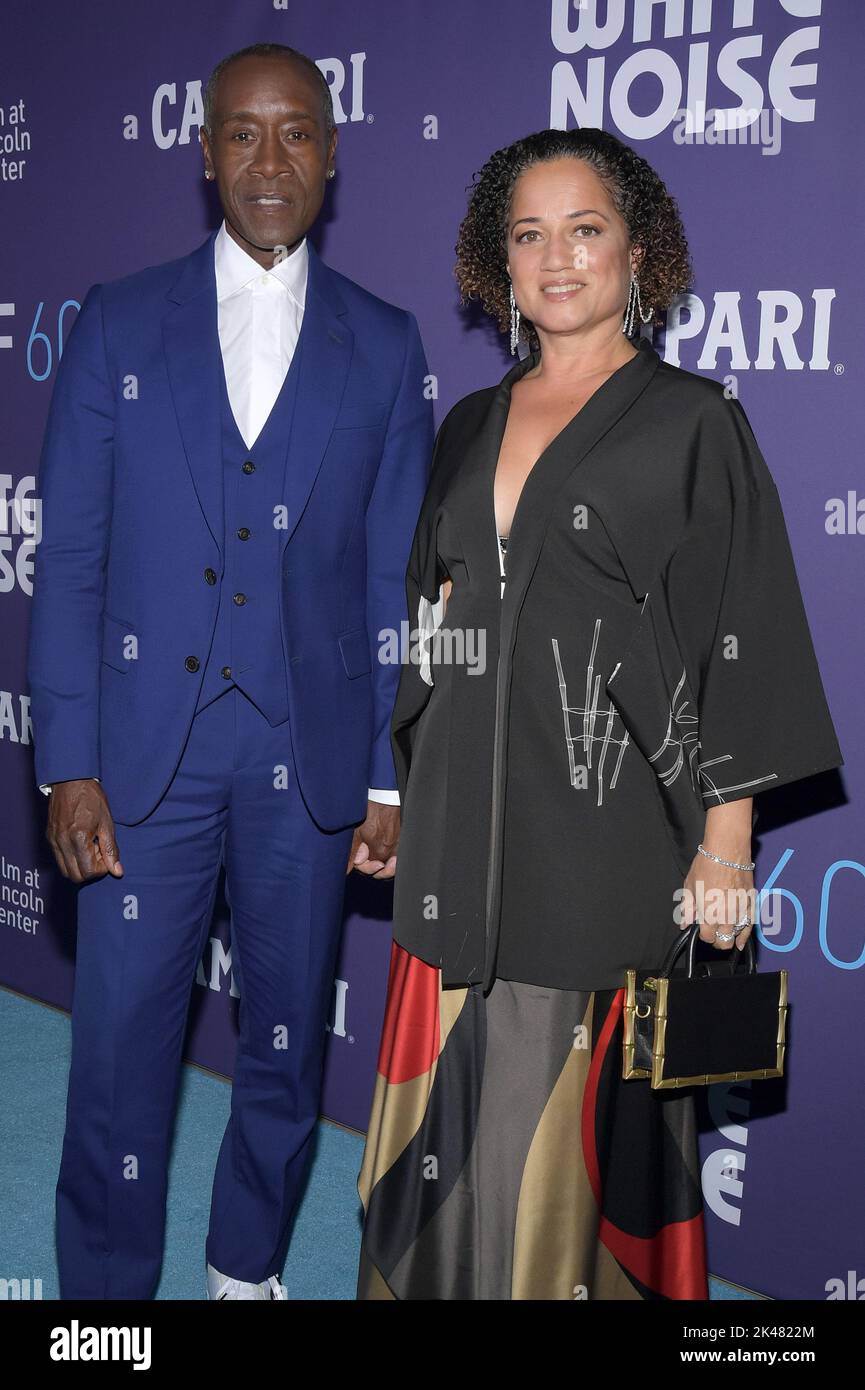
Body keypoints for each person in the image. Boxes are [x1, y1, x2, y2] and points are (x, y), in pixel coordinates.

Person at [356, 127, 843, 1300]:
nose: (556, 258)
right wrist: (398, 786)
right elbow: (440, 617)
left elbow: (741, 630)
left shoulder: (689, 422)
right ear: (498, 262)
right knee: (434, 1169)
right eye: (528, 235)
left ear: (639, 253)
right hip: (455, 848)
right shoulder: (470, 420)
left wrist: (725, 848)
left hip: (602, 854)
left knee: (551, 1170)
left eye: (585, 230)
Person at [27, 42, 433, 1300]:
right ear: (202, 155)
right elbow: (73, 564)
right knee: (115, 1056)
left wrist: (389, 773)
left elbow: (390, 585)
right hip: (146, 760)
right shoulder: (116, 322)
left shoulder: (383, 341)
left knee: (281, 1048)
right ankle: (105, 1300)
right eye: (243, 134)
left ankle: (244, 1266)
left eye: (296, 132)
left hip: (302, 764)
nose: (270, 159)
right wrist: (69, 762)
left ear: (332, 152)